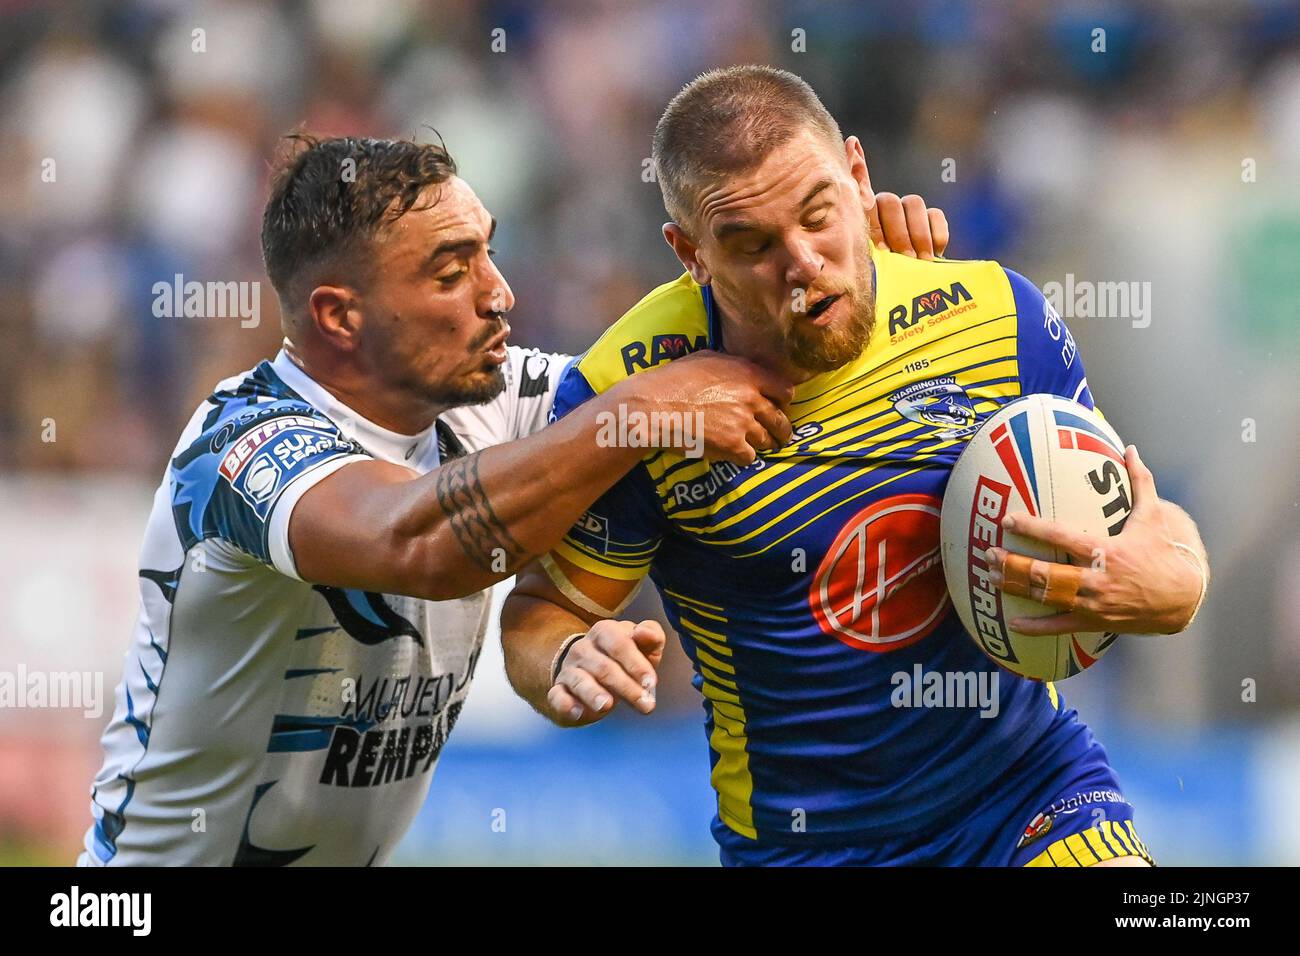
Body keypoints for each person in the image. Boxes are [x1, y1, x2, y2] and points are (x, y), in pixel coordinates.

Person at [80, 133, 947, 865]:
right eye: (451, 272)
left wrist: (850, 279)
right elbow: (420, 546)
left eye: (488, 251)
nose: (501, 294)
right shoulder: (240, 444)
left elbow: (739, 383)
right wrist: (640, 410)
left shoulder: (499, 401)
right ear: (339, 317)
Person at [500, 66, 1210, 867]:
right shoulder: (631, 392)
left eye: (818, 214)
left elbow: (1138, 511)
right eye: (752, 245)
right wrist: (566, 655)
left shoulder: (998, 317)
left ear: (859, 178)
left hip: (1025, 797)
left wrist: (1179, 571)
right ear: (690, 253)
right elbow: (541, 611)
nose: (802, 264)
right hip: (807, 849)